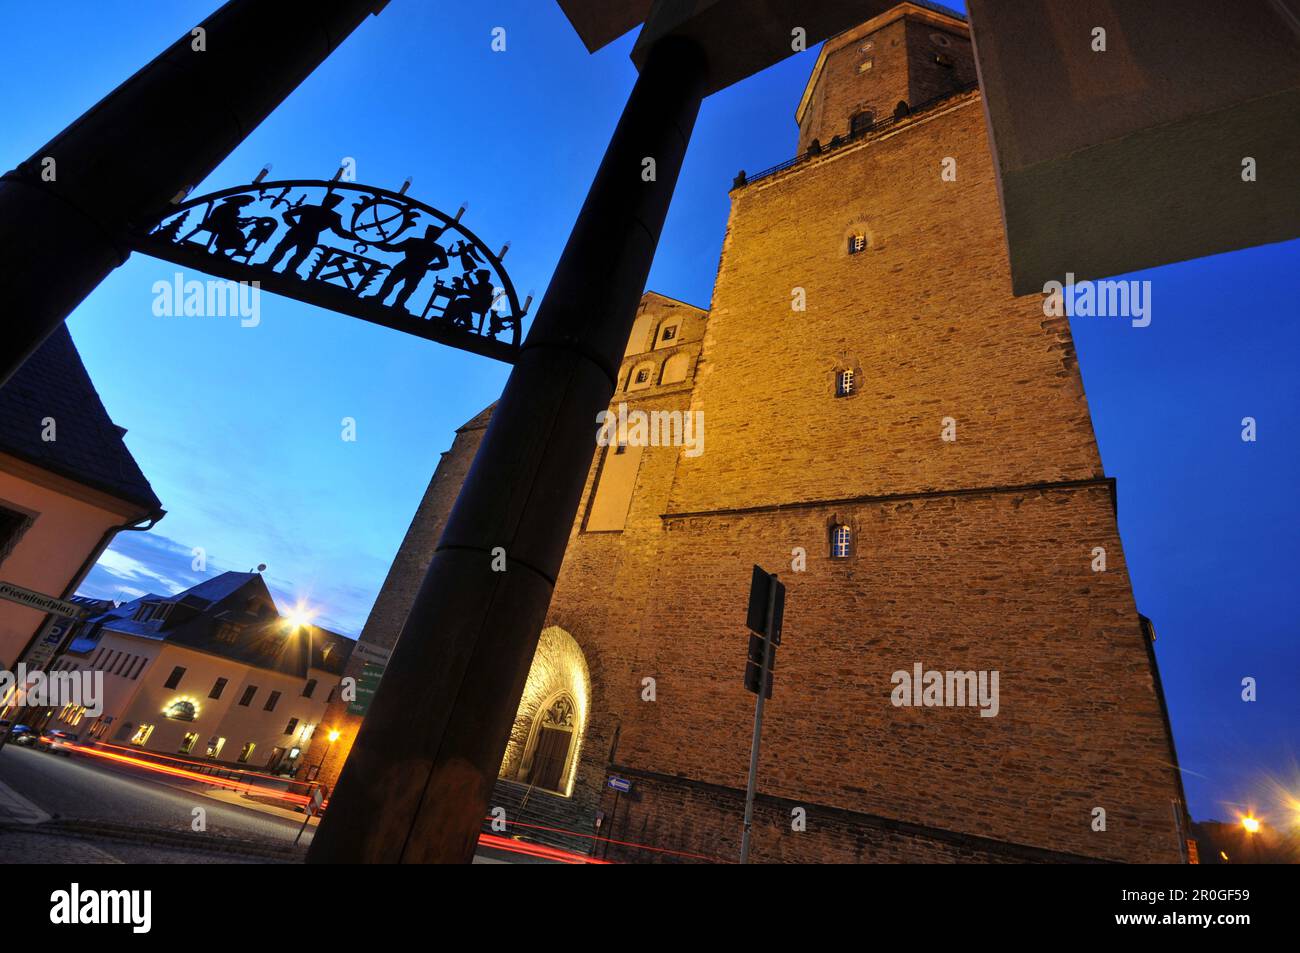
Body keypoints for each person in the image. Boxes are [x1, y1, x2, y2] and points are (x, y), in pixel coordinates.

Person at [260, 193, 345, 277]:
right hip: (301, 233)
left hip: (307, 235)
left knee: (299, 255)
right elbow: (286, 214)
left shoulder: (334, 216)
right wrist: (295, 225)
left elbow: (340, 232)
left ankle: (288, 270)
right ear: (324, 200)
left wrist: (354, 236)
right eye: (329, 201)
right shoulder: (310, 208)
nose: (331, 203)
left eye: (334, 202)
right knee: (283, 249)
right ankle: (271, 266)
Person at [370, 224, 450, 311]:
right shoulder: (414, 241)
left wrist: (430, 267)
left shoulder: (436, 248)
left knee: (406, 287)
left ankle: (396, 304)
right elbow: (393, 248)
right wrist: (376, 243)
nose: (430, 235)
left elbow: (444, 264)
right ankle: (382, 299)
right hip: (411, 267)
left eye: (433, 234)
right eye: (429, 232)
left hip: (415, 268)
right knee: (392, 282)